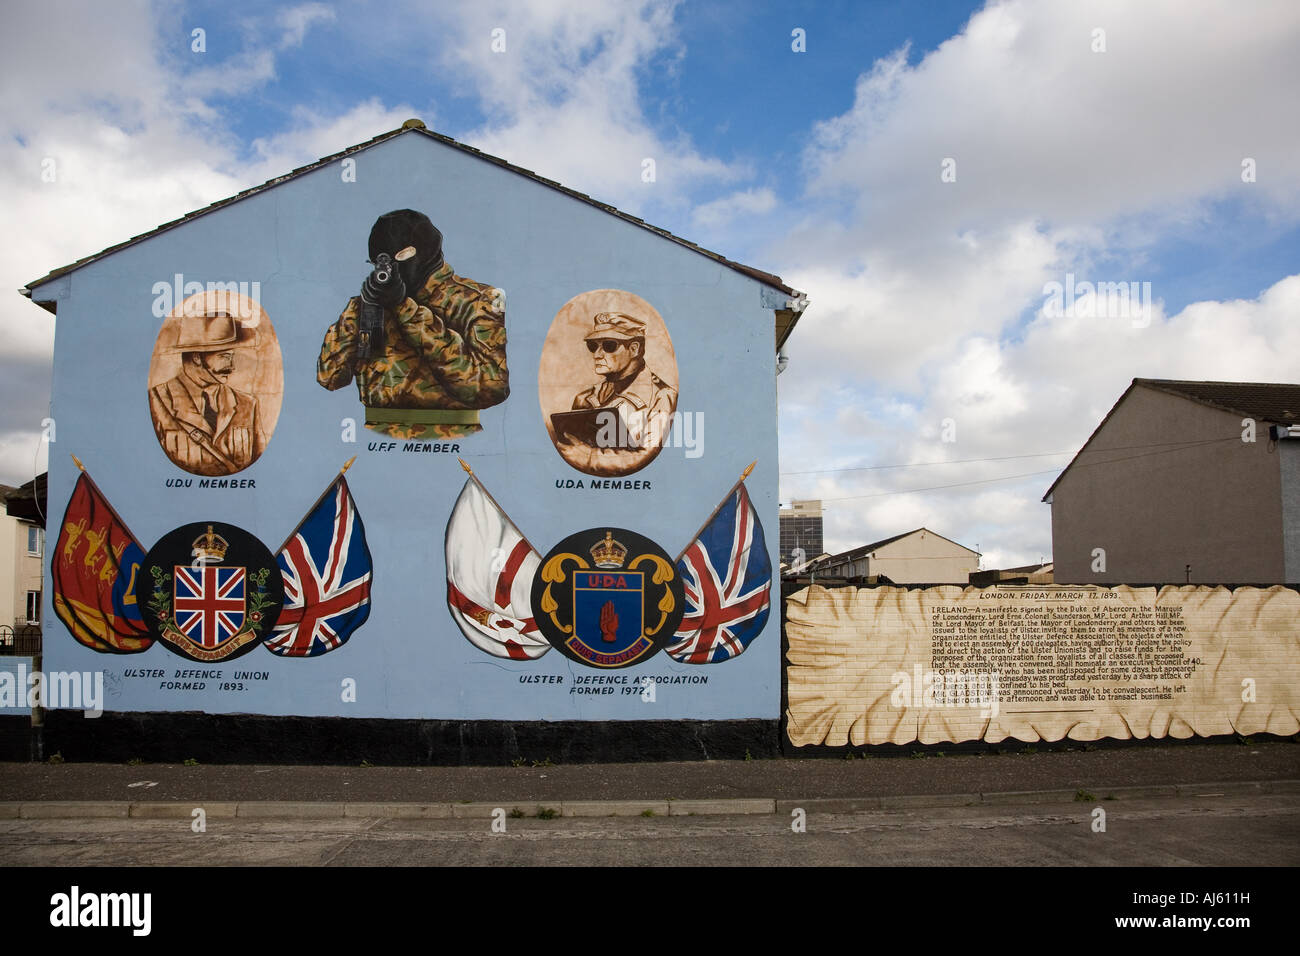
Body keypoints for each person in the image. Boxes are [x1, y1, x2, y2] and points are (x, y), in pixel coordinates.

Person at [317, 209, 509, 439]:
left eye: (399, 258)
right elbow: (329, 377)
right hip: (377, 437)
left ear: (423, 252)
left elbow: (489, 388)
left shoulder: (476, 300)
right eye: (378, 262)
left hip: (450, 436)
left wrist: (406, 310)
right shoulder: (370, 303)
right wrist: (359, 310)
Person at [556, 312, 676, 475]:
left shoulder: (662, 397)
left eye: (609, 346)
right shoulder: (584, 398)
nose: (597, 354)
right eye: (592, 346)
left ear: (634, 349)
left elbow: (647, 455)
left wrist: (589, 457)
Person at [149, 311, 265, 475]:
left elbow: (260, 467)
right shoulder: (157, 401)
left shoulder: (247, 404)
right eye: (224, 356)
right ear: (196, 357)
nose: (232, 366)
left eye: (232, 357)